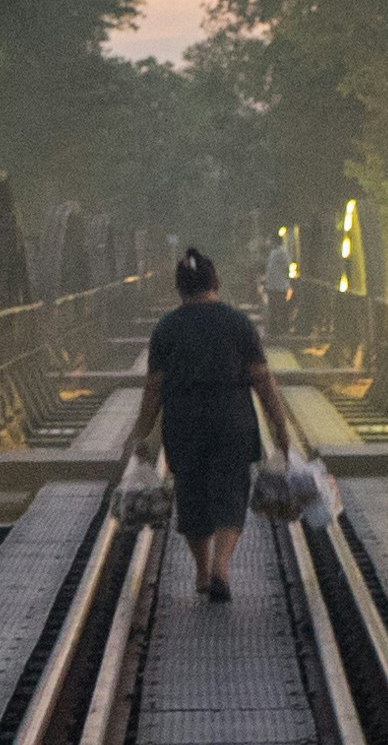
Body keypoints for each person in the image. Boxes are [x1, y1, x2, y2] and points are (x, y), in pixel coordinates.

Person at [124, 244, 301, 601]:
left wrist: (140, 434)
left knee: (192, 495)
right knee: (231, 493)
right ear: (215, 282)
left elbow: (154, 388)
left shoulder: (167, 329)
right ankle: (222, 566)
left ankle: (203, 572)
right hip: (232, 420)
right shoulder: (238, 323)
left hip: (184, 424)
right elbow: (263, 380)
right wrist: (280, 428)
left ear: (179, 287)